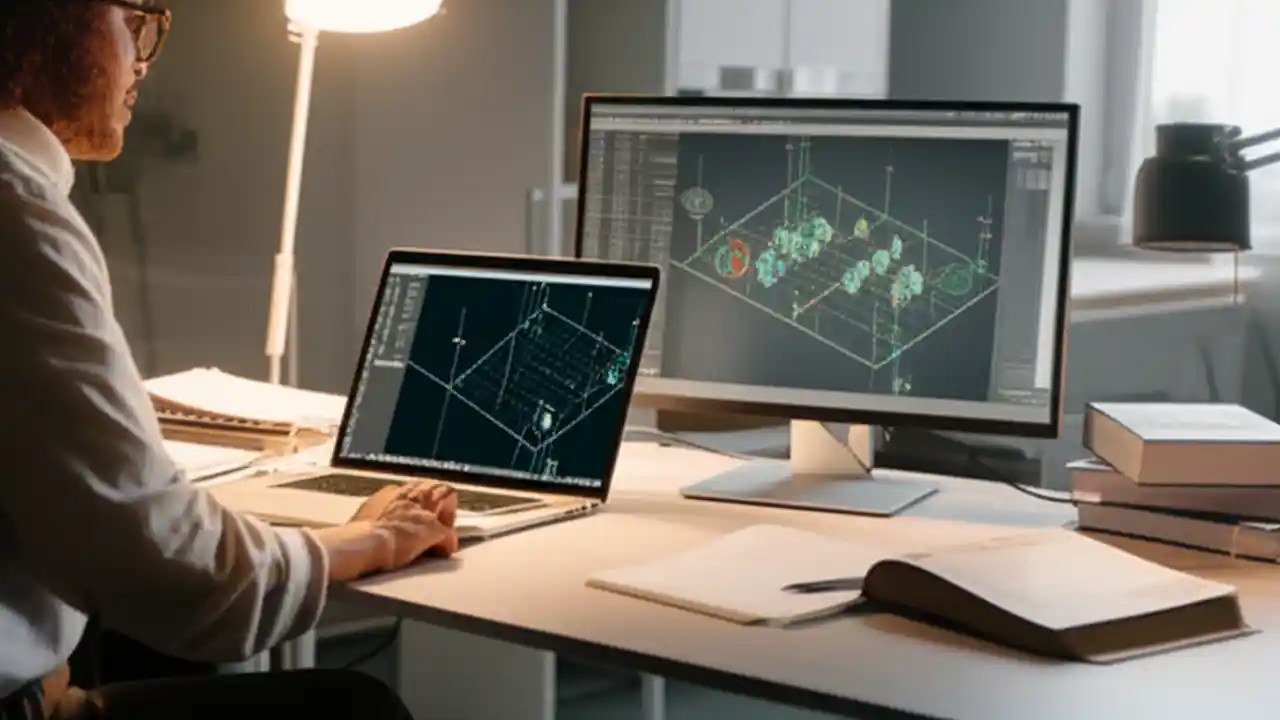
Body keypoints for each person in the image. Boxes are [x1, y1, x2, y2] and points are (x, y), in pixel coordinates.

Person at [0, 2, 458, 717]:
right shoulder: (17, 217)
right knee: (352, 708)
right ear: (46, 23)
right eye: (133, 19)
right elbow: (168, 569)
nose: (143, 60)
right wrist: (366, 540)